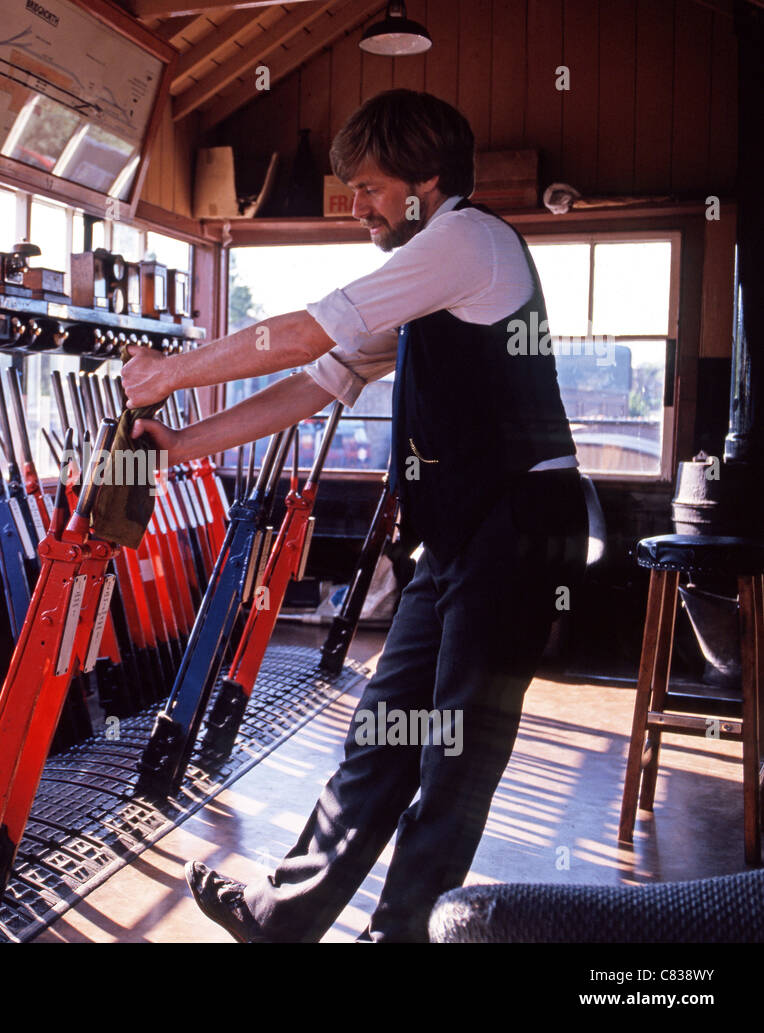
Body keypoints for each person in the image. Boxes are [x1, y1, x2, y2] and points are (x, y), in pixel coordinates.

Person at [121, 89, 588, 943]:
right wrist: (180, 442)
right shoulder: (427, 277)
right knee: (386, 730)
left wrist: (169, 373)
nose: (355, 204)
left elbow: (303, 335)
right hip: (458, 525)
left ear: (426, 181)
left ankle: (401, 933)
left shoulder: (465, 239)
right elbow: (317, 380)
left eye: (369, 188)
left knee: (455, 752)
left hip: (520, 520)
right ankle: (283, 914)